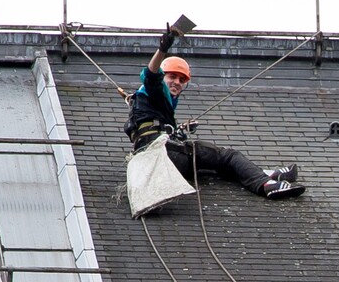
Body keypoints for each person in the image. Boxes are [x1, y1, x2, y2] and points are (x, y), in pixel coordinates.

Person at [124, 25, 304, 199]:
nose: (177, 82)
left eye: (181, 80)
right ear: (163, 76)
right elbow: (151, 74)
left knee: (215, 166)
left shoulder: (154, 102)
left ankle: (260, 173)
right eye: (172, 76)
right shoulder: (154, 90)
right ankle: (266, 184)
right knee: (228, 156)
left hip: (159, 157)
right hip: (165, 154)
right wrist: (162, 49)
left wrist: (178, 131)